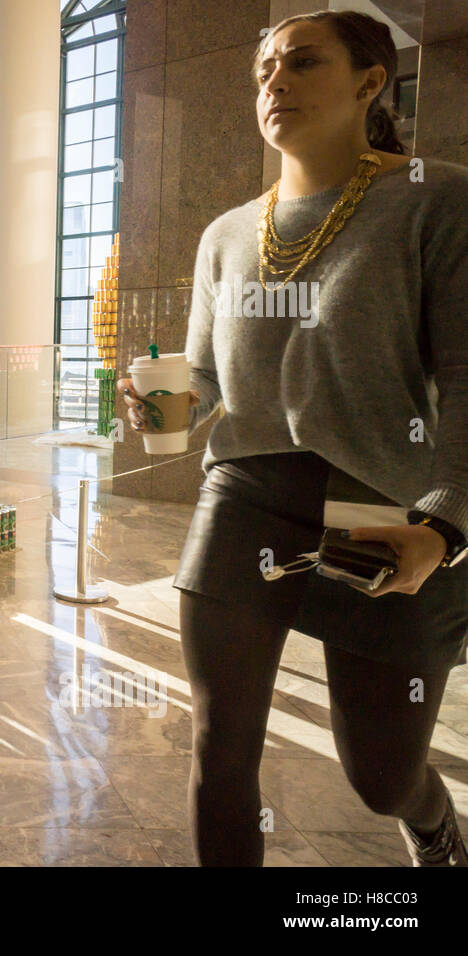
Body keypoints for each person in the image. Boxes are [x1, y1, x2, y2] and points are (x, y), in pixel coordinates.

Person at [119, 10, 468, 866]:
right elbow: (202, 373)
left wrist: (445, 525)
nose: (273, 83)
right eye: (263, 72)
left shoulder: (438, 200)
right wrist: (162, 399)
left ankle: (431, 822)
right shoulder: (227, 235)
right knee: (219, 749)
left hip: (387, 504)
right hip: (245, 493)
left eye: (302, 64)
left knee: (381, 774)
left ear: (370, 81)